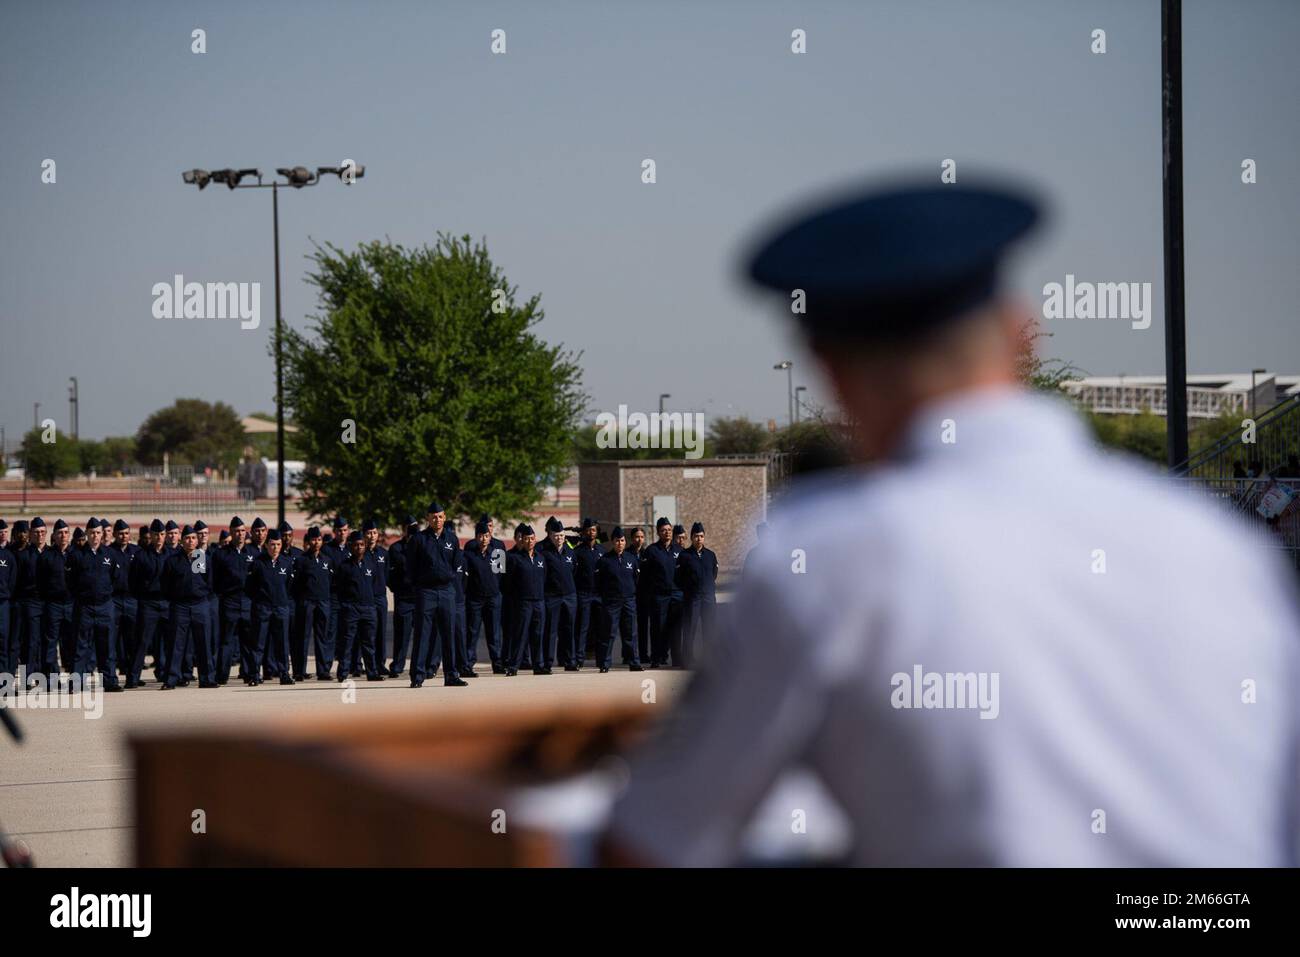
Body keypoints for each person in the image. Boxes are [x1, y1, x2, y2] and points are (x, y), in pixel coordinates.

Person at [605, 180, 1300, 867]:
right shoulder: (1220, 546)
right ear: (1023, 334)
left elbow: (656, 843)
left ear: (833, 372)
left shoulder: (826, 551)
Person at [406, 504, 467, 688]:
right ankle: (417, 676)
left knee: (449, 635)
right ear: (427, 518)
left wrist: (449, 579)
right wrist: (420, 586)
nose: (437, 520)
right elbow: (410, 567)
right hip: (426, 592)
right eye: (433, 517)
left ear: (444, 517)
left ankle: (451, 675)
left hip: (447, 591)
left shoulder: (452, 539)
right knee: (422, 634)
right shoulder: (418, 539)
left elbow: (457, 563)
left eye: (440, 517)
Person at [160, 525, 215, 690]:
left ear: (197, 540)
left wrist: (201, 594)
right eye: (187, 538)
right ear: (181, 540)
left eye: (193, 538)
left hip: (200, 604)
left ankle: (207, 678)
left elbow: (209, 581)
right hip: (180, 606)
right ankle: (171, 679)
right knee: (176, 644)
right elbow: (165, 584)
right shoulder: (173, 560)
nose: (190, 541)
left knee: (204, 643)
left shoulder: (201, 557)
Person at [246, 528, 295, 685]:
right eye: (272, 544)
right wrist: (260, 601)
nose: (275, 548)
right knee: (258, 644)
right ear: (266, 545)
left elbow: (289, 586)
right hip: (263, 608)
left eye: (278, 544)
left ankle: (284, 674)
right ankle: (254, 674)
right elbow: (250, 587)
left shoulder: (286, 563)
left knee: (282, 643)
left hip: (281, 607)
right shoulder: (258, 563)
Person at [334, 530, 384, 682]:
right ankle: (342, 673)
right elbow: (338, 588)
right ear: (350, 547)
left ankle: (372, 672)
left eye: (361, 545)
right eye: (355, 545)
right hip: (351, 609)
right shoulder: (344, 566)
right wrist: (345, 606)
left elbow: (376, 584)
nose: (359, 548)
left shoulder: (371, 563)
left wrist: (372, 605)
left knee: (369, 643)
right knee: (347, 643)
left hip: (368, 608)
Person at [126, 519, 169, 687]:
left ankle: (165, 673)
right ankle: (133, 677)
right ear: (150, 536)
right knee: (142, 641)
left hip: (166, 602)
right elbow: (133, 581)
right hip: (148, 603)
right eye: (156, 534)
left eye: (162, 534)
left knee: (166, 641)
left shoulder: (171, 554)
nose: (159, 537)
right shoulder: (141, 555)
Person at [593, 527, 641, 672]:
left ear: (625, 542)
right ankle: (605, 664)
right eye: (617, 541)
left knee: (630, 633)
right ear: (612, 542)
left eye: (622, 540)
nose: (620, 543)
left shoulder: (631, 559)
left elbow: (636, 579)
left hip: (628, 600)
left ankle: (634, 662)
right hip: (612, 601)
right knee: (609, 633)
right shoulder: (605, 560)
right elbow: (598, 582)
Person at [211, 517, 253, 685]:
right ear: (231, 532)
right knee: (226, 641)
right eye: (236, 531)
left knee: (248, 641)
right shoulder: (221, 554)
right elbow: (214, 580)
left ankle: (250, 674)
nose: (240, 534)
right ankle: (222, 675)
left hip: (248, 601)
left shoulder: (252, 553)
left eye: (243, 531)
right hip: (229, 602)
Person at [503, 523, 546, 677]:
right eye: (526, 539)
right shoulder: (514, 558)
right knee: (520, 635)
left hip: (539, 602)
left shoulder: (541, 558)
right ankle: (513, 666)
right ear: (521, 540)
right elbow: (506, 582)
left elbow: (544, 578)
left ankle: (539, 666)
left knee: (537, 635)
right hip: (523, 603)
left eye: (532, 539)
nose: (529, 541)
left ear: (535, 540)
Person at [674, 521, 718, 667]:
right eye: (696, 536)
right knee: (689, 629)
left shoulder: (710, 555)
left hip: (708, 597)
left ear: (704, 537)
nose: (699, 539)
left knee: (709, 629)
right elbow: (678, 577)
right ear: (691, 538)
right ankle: (687, 660)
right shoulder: (684, 556)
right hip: (692, 598)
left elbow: (714, 574)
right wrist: (689, 589)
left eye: (701, 536)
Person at [292, 526, 333, 680]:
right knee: (303, 637)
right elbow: (295, 584)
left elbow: (330, 581)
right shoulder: (301, 560)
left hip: (323, 602)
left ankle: (322, 671)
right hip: (307, 603)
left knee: (322, 638)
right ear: (309, 541)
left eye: (319, 539)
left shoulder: (327, 560)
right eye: (313, 540)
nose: (316, 542)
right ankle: (299, 671)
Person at [463, 519, 504, 673]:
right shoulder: (469, 554)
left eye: (486, 535)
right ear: (476, 537)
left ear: (489, 536)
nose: (484, 539)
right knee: (472, 632)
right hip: (474, 599)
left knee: (494, 633)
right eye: (480, 536)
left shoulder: (497, 551)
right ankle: (467, 665)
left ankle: (498, 664)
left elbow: (501, 575)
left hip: (493, 597)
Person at [36, 519, 74, 683]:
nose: (63, 536)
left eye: (66, 532)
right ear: (54, 536)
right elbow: (40, 581)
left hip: (72, 604)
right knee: (50, 644)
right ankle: (52, 677)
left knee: (71, 643)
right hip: (53, 605)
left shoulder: (76, 555)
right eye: (60, 533)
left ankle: (74, 676)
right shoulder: (47, 556)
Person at [538, 516, 577, 672]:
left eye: (561, 535)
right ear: (550, 536)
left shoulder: (570, 552)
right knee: (550, 631)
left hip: (569, 596)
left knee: (569, 629)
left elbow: (574, 571)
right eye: (556, 536)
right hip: (552, 597)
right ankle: (548, 663)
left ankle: (570, 661)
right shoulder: (544, 553)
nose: (559, 538)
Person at [638, 518, 678, 668]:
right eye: (663, 530)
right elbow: (644, 577)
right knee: (657, 628)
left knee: (674, 628)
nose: (666, 533)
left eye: (669, 530)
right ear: (658, 533)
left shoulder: (678, 551)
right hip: (659, 596)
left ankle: (674, 658)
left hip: (675, 595)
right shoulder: (652, 551)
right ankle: (656, 658)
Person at [385, 516, 419, 677]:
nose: (412, 532)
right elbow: (390, 574)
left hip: (420, 597)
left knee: (422, 635)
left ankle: (420, 666)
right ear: (403, 530)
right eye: (409, 528)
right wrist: (396, 589)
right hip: (404, 598)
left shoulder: (423, 546)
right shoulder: (396, 549)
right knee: (402, 635)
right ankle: (397, 666)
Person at [571, 517, 604, 670]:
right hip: (583, 594)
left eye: (593, 530)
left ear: (597, 532)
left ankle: (601, 658)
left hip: (599, 594)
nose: (591, 532)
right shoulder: (577, 552)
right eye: (588, 530)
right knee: (582, 628)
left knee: (599, 628)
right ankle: (579, 659)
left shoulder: (602, 551)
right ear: (584, 532)